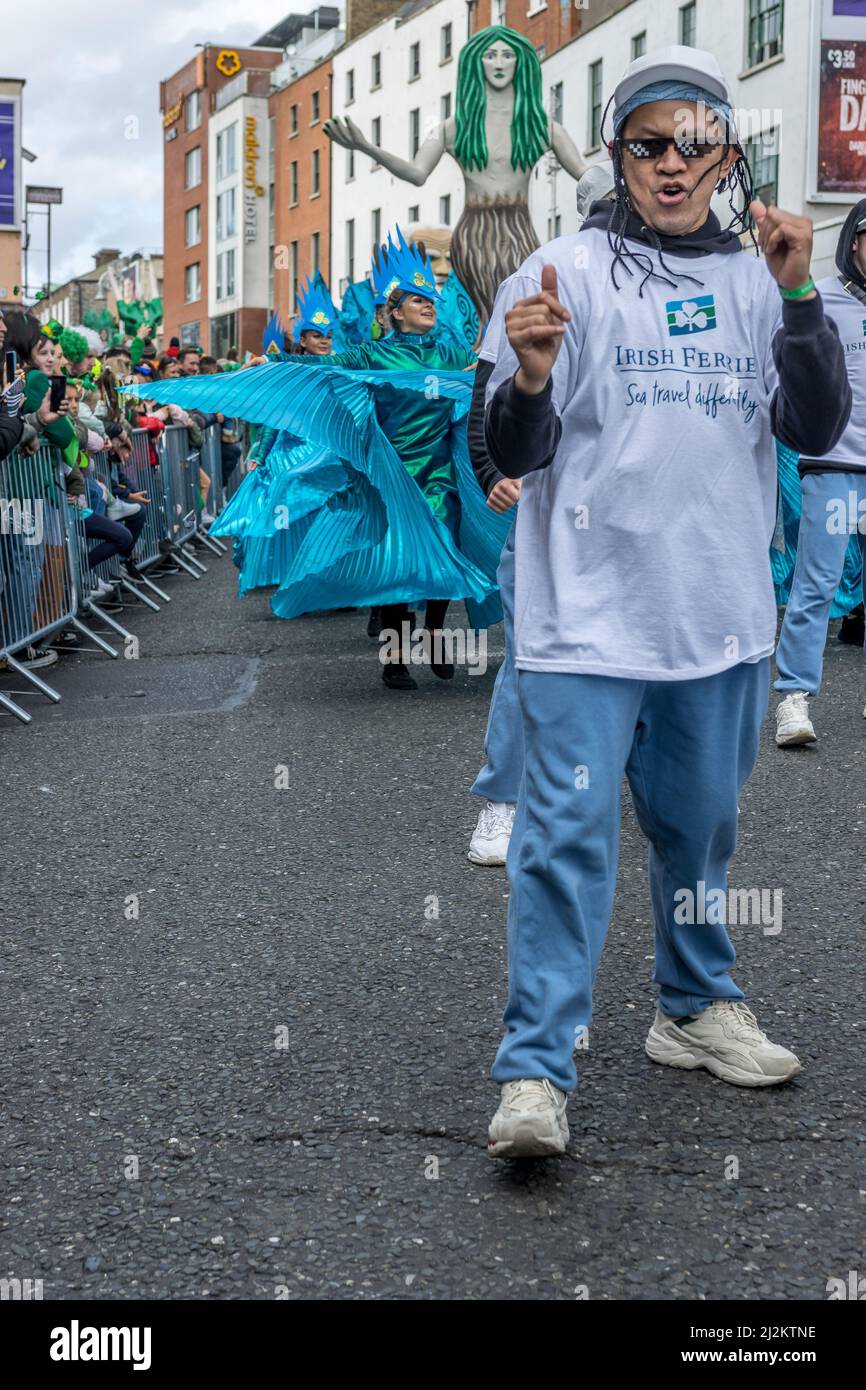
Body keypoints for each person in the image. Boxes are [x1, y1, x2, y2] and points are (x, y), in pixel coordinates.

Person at [480, 45, 850, 1159]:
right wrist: (532, 381)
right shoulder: (556, 272)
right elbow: (497, 448)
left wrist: (793, 296)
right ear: (616, 153)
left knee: (698, 835)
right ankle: (535, 1072)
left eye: (695, 142)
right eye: (650, 142)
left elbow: (816, 428)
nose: (673, 162)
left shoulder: (764, 276)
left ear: (725, 154)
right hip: (587, 622)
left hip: (718, 617)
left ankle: (691, 1010)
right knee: (564, 841)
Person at [466, 161, 618, 866]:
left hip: (633, 515)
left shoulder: (687, 277)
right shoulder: (539, 274)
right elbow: (488, 399)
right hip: (551, 512)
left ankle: (621, 789)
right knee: (532, 654)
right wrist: (496, 471)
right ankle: (503, 799)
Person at [772, 200, 866, 745]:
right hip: (833, 464)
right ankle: (793, 698)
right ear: (853, 242)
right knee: (817, 584)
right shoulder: (822, 299)